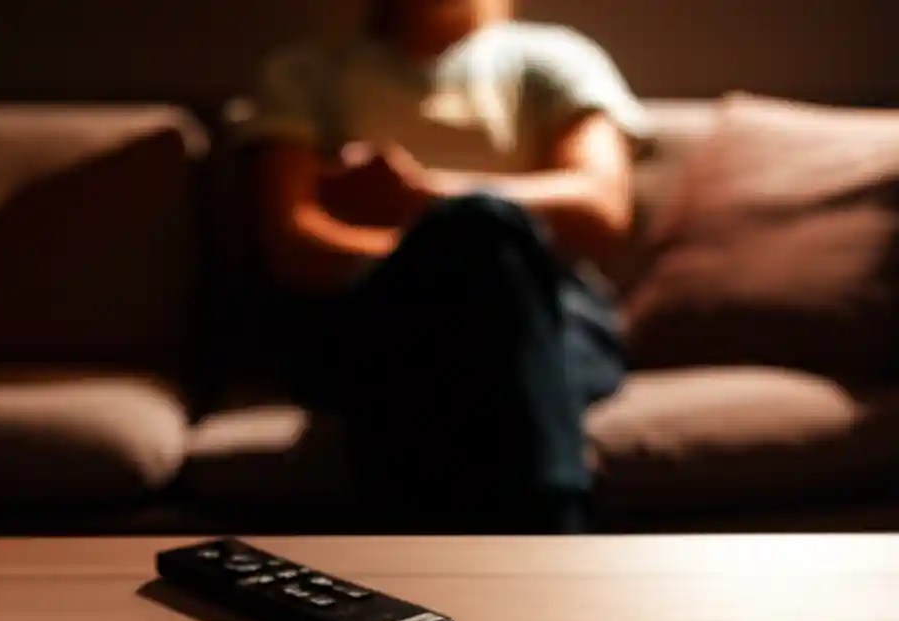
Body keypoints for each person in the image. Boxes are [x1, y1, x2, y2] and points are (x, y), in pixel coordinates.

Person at [238, 0, 647, 532]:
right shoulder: (307, 73)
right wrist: (436, 257)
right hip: (378, 311)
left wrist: (428, 195)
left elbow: (601, 209)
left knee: (484, 235)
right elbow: (294, 243)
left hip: (551, 316)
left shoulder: (557, 60)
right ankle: (556, 534)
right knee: (467, 281)